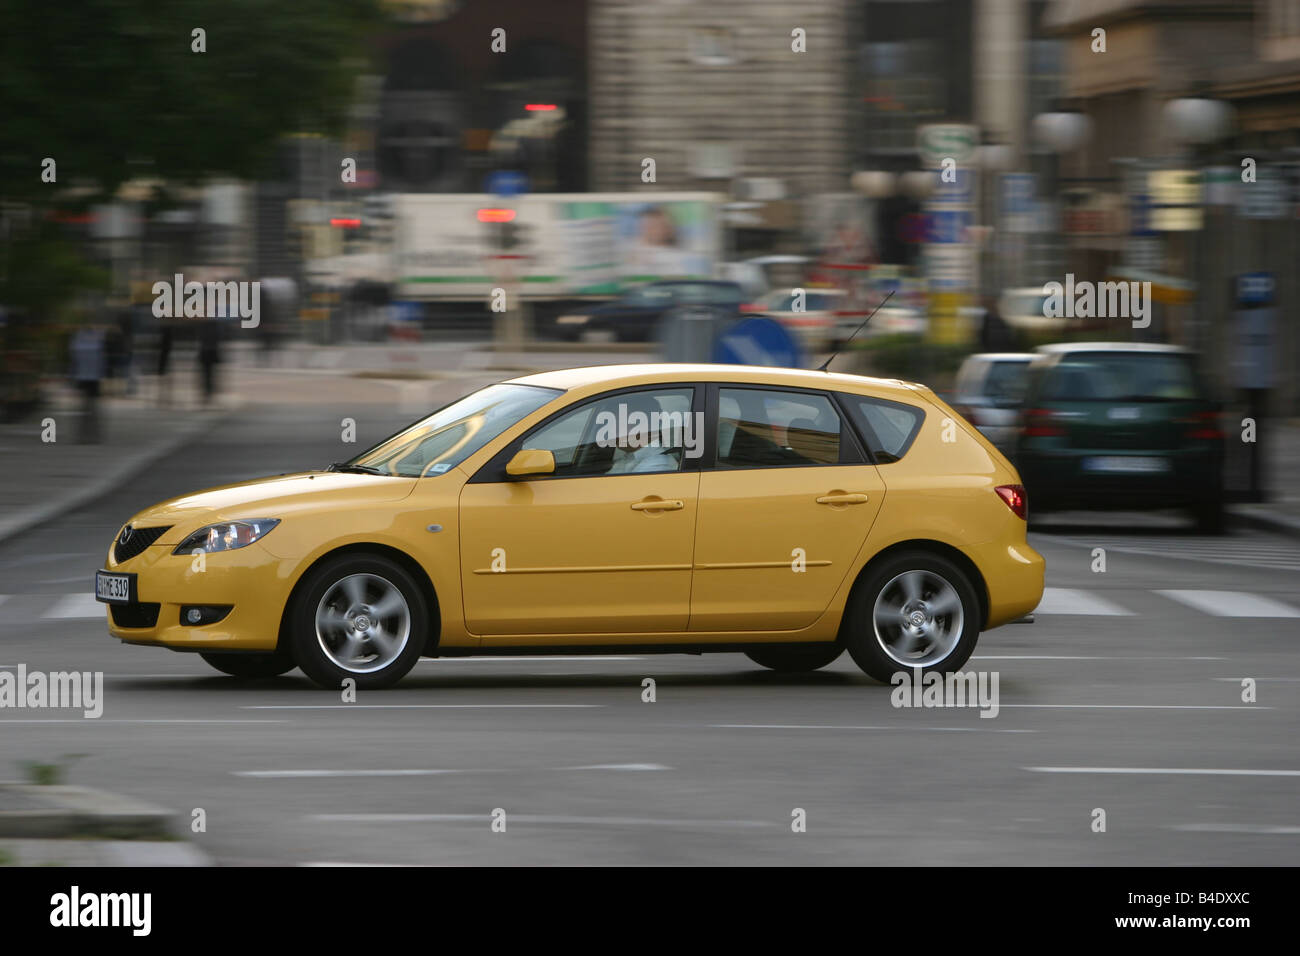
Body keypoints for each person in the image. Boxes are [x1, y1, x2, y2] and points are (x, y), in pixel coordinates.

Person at [68, 322, 107, 443]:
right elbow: (102, 362)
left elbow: (74, 362)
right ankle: (95, 435)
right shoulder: (97, 343)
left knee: (83, 407)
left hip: (82, 378)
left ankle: (82, 436)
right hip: (94, 379)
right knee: (94, 408)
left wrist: (71, 377)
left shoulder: (77, 343)